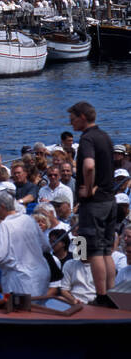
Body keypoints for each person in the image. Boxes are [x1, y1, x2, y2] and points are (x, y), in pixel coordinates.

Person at [68, 101, 119, 307]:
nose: (70, 122)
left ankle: (101, 295)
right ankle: (113, 295)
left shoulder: (87, 138)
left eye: (72, 118)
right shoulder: (105, 137)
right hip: (109, 200)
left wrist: (88, 189)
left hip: (94, 203)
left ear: (82, 117)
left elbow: (89, 166)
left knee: (94, 251)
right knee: (107, 250)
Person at [45, 230, 96, 305]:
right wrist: (73, 300)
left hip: (93, 302)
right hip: (73, 301)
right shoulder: (69, 264)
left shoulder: (100, 267)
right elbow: (64, 290)